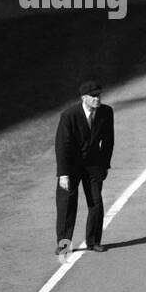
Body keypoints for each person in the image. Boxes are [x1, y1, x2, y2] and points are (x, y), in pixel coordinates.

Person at [55, 81, 114, 259]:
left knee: (96, 203)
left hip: (94, 166)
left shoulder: (106, 112)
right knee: (66, 206)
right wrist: (63, 174)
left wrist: (104, 165)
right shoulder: (69, 115)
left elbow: (109, 141)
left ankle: (94, 242)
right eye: (93, 96)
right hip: (71, 167)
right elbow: (62, 145)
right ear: (84, 98)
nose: (97, 99)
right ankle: (64, 245)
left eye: (99, 96)